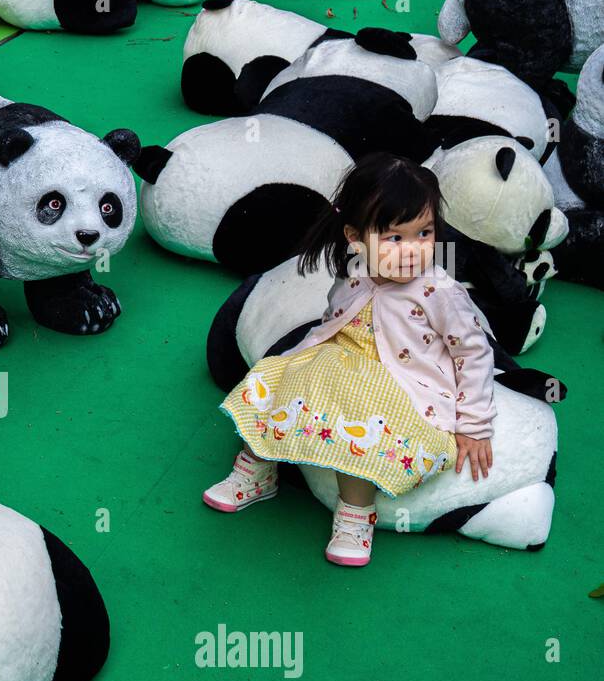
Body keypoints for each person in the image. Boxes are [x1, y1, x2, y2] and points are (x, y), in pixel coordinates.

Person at [206, 153, 497, 566]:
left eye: (425, 233)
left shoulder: (438, 290)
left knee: (365, 429)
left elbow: (473, 352)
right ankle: (258, 470)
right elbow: (335, 319)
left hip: (401, 384)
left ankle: (356, 514)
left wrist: (475, 424)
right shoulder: (354, 271)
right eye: (395, 238)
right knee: (277, 381)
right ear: (356, 237)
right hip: (340, 361)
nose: (413, 250)